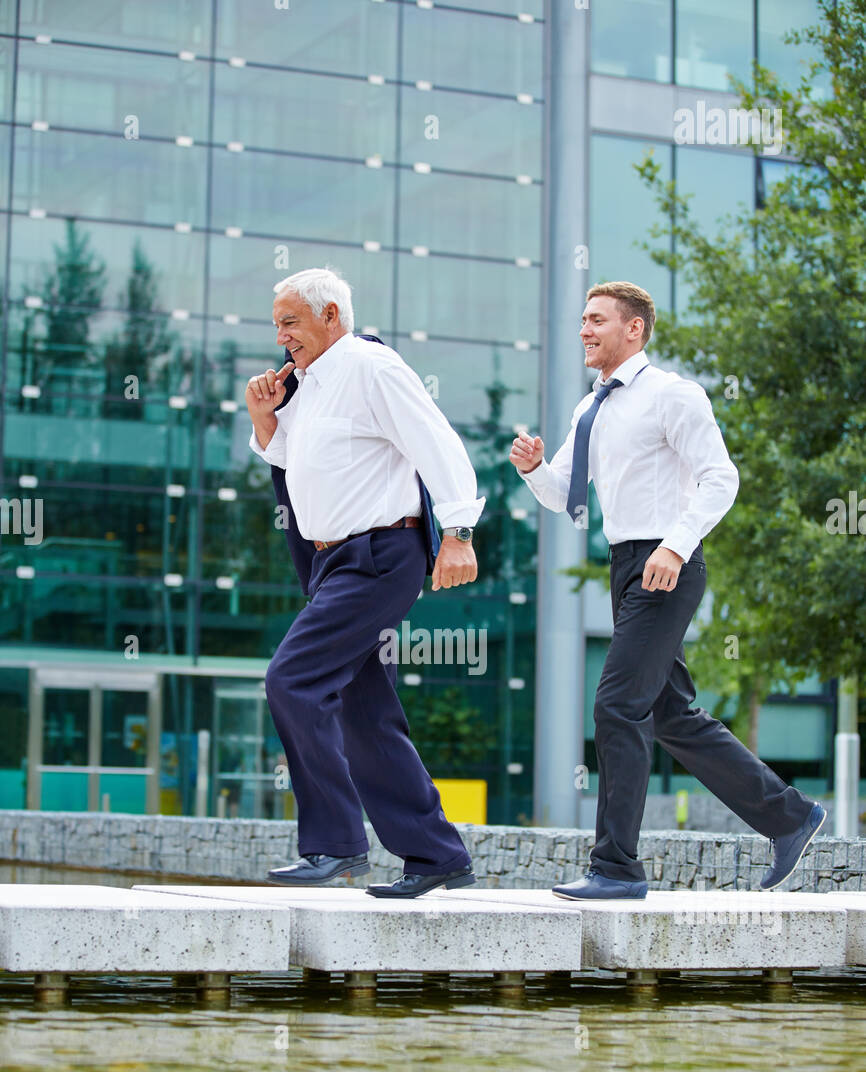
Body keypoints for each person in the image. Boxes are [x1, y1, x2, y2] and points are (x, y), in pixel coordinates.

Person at [510, 279, 826, 899]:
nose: (584, 330)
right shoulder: (590, 408)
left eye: (597, 320)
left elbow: (720, 478)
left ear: (634, 329)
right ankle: (790, 817)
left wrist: (675, 545)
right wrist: (531, 470)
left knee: (616, 706)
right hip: (626, 562)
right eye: (582, 319)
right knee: (669, 714)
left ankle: (616, 867)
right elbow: (564, 497)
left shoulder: (672, 395)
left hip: (667, 563)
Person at [247, 267, 485, 898]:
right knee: (365, 713)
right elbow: (293, 461)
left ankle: (337, 847)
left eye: (290, 322)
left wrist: (459, 532)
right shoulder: (310, 385)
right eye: (277, 325)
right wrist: (266, 418)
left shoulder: (371, 368)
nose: (281, 337)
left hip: (379, 555)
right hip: (333, 563)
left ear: (331, 316)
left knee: (292, 681)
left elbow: (438, 442)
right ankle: (436, 856)